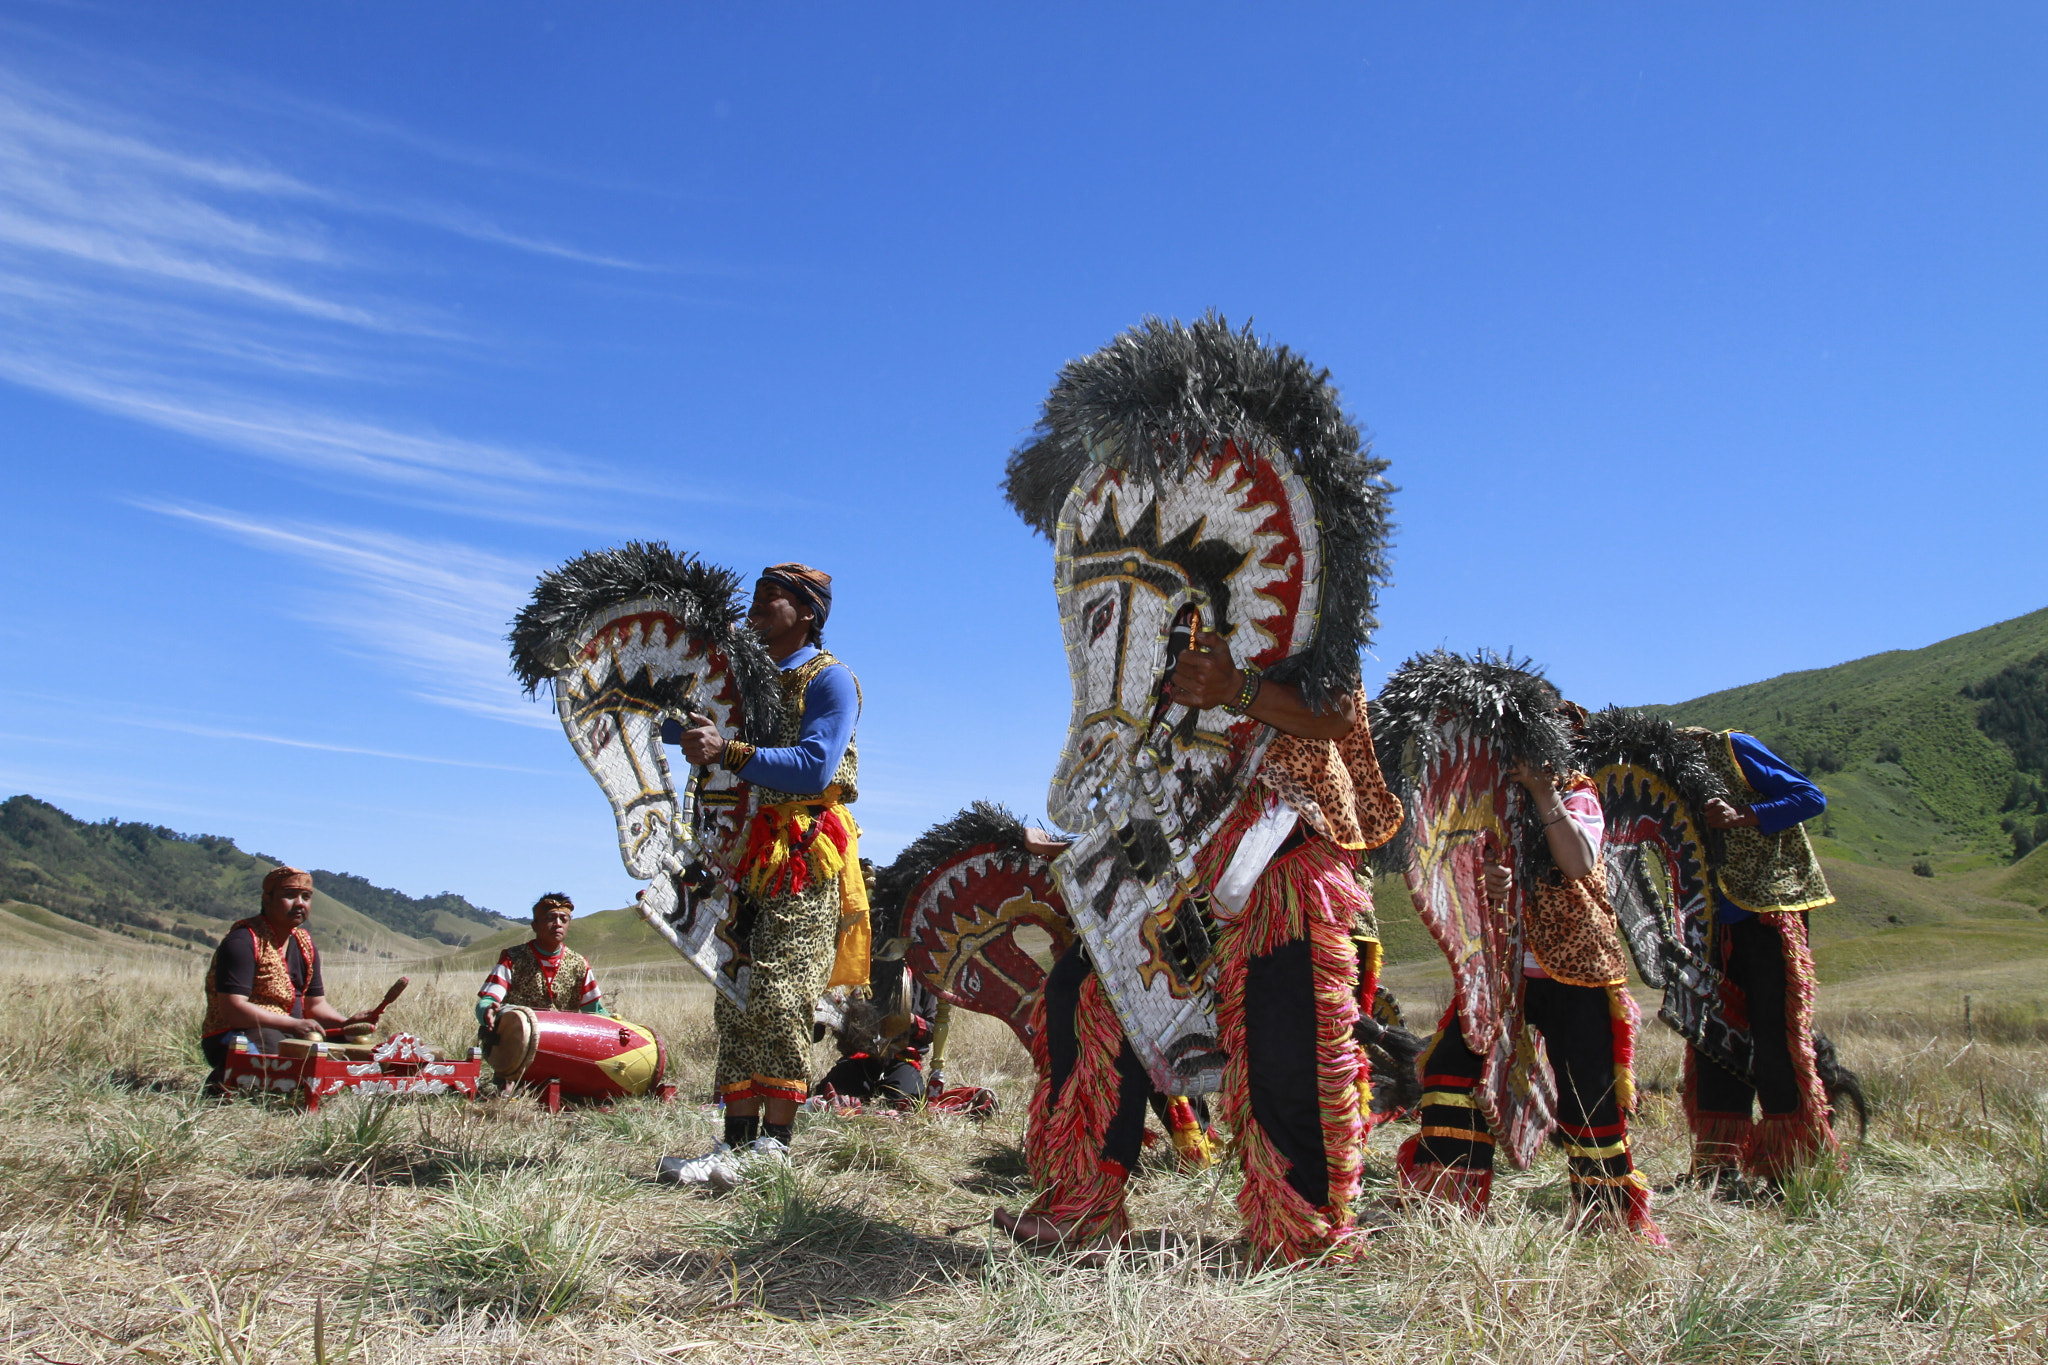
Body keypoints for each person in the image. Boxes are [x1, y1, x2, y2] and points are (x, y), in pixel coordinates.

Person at [994, 632, 1404, 1260]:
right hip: (1167, 852)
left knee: (1283, 1039)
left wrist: (1239, 689)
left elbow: (1338, 712)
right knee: (1084, 994)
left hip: (1278, 852)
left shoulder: (1301, 596)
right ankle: (1080, 1208)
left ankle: (1303, 1232)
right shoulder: (1163, 616)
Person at [1395, 704, 1663, 1243]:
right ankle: (1448, 1210)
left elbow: (1579, 863)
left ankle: (1607, 1225)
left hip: (1577, 969)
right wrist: (1491, 880)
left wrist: (1545, 794)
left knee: (1589, 1099)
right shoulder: (1495, 801)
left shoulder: (1578, 793)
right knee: (1450, 1070)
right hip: (1503, 972)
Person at [656, 563, 868, 1187]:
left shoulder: (830, 680)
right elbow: (676, 726)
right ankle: (734, 1146)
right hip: (737, 856)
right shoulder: (735, 684)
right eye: (755, 596)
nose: (758, 605)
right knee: (735, 996)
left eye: (772, 597)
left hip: (802, 854)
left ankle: (773, 1151)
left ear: (808, 612)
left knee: (780, 995)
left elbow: (814, 765)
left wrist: (729, 752)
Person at [1682, 728, 1837, 1189]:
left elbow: (1810, 797)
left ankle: (1789, 1163)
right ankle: (1717, 1164)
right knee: (1713, 1038)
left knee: (1775, 1033)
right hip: (1711, 918)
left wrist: (1744, 815)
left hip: (1770, 907)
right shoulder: (1654, 783)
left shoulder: (1729, 747)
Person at [200, 866, 375, 1094]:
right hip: (237, 1033)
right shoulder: (242, 941)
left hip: (293, 1032)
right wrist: (293, 1024)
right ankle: (226, 1083)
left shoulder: (305, 944)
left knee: (357, 1046)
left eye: (306, 897)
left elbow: (315, 1006)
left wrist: (346, 1024)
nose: (300, 903)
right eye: (289, 895)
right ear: (267, 899)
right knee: (285, 1052)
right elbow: (233, 1010)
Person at [475, 893, 611, 1037]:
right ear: (535, 925)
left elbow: (595, 1011)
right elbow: (489, 1000)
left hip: (562, 1044)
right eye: (550, 918)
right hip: (517, 1044)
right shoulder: (512, 959)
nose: (558, 924)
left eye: (563, 919)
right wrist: (487, 1010)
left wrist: (616, 1025)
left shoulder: (579, 965)